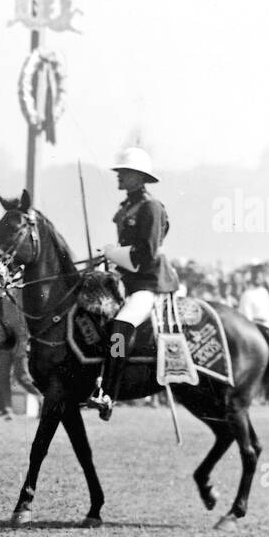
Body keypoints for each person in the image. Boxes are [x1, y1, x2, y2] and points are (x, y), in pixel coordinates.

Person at [89, 148, 180, 420]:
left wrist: (112, 253)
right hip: (125, 282)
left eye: (124, 172)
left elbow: (145, 255)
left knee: (119, 329)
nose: (118, 176)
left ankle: (109, 392)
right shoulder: (127, 207)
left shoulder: (151, 208)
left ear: (139, 178)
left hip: (147, 284)